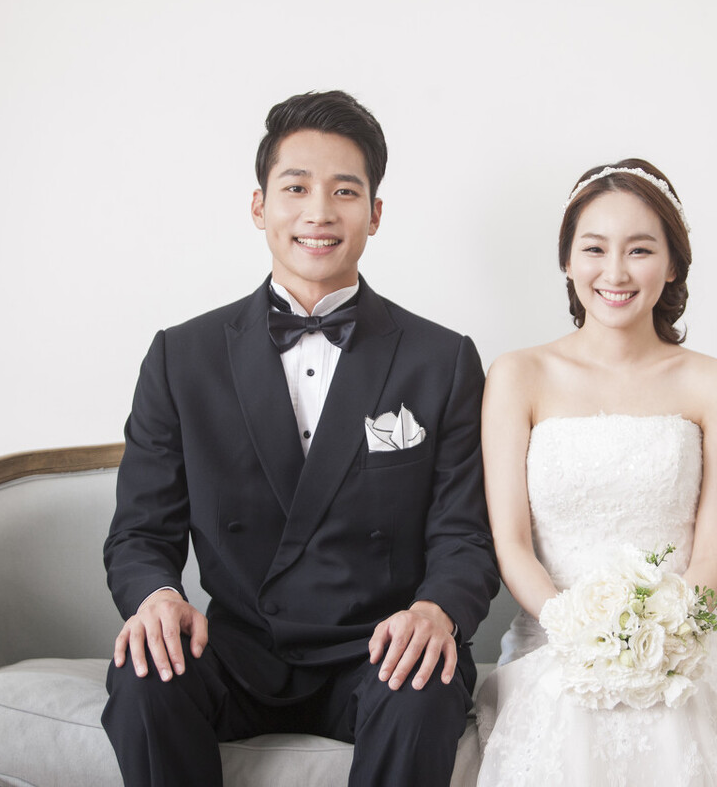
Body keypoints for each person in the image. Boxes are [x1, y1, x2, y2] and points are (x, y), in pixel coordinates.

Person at [101, 90, 500, 787]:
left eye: (345, 191)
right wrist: (157, 597)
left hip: (383, 647)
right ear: (259, 206)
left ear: (375, 213)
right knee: (144, 675)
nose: (319, 212)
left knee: (423, 686)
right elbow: (139, 533)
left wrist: (436, 610)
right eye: (296, 188)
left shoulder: (442, 360)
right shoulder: (181, 357)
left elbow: (464, 535)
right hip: (239, 647)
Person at [474, 159, 717, 785]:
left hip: (686, 631)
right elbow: (512, 544)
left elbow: (714, 553)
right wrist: (579, 634)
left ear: (673, 264)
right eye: (594, 249)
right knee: (570, 706)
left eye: (640, 250)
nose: (615, 273)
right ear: (567, 261)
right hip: (554, 631)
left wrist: (667, 634)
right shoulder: (517, 375)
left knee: (670, 707)